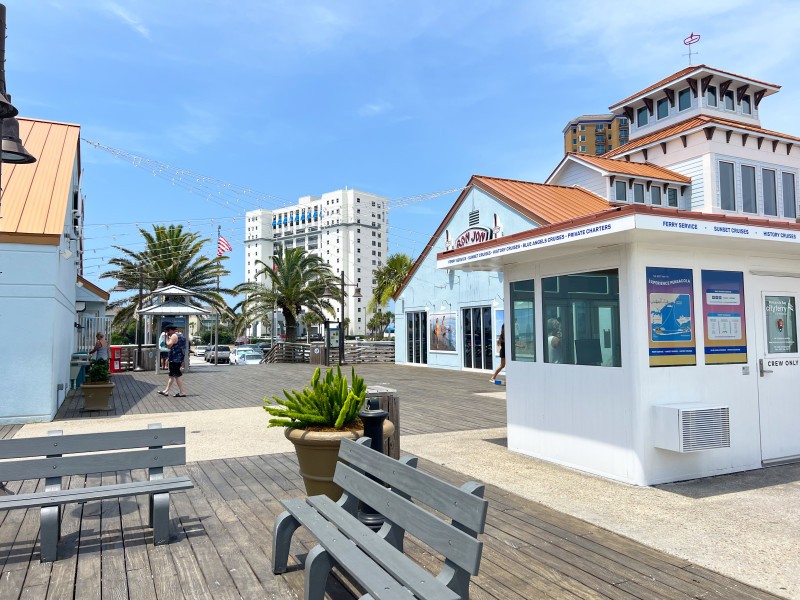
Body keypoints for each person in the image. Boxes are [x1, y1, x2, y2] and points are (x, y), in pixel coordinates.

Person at [157, 324, 187, 397]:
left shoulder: (174, 336)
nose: (168, 333)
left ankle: (182, 392)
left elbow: (169, 345)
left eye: (168, 332)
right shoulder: (182, 336)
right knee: (171, 375)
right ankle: (166, 391)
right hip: (179, 358)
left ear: (170, 330)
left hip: (174, 358)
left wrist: (166, 337)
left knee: (177, 375)